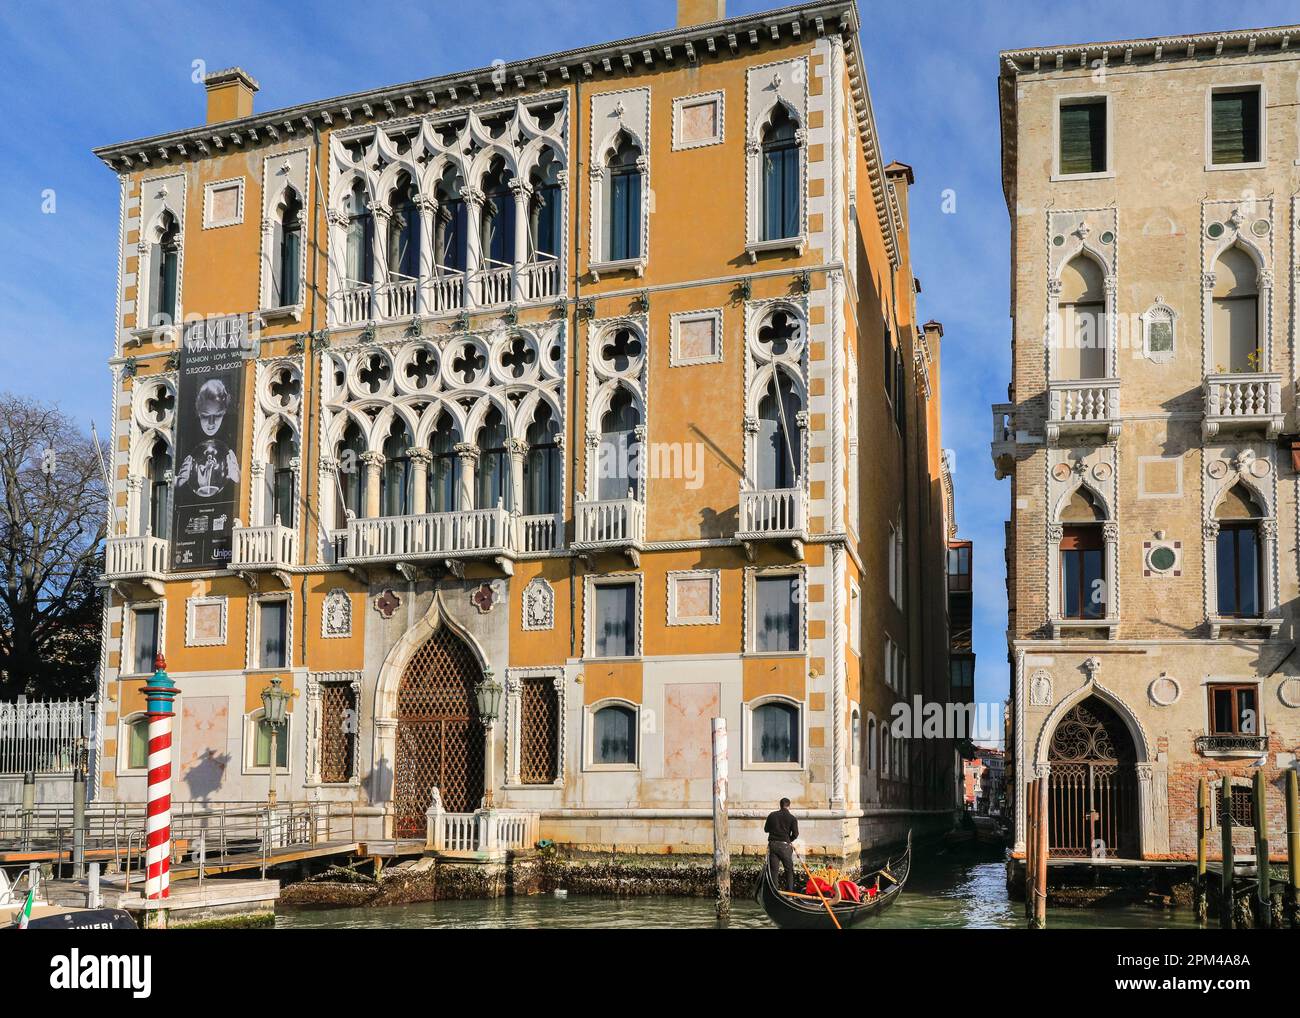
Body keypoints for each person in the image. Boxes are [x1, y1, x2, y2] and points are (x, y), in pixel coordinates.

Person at [764, 797, 799, 892]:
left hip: (773, 845)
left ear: (780, 805)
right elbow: (796, 834)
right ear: (789, 806)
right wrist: (788, 840)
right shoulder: (792, 818)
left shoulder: (772, 815)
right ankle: (790, 892)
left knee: (774, 870)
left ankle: (774, 891)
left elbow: (766, 829)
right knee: (789, 870)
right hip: (785, 846)